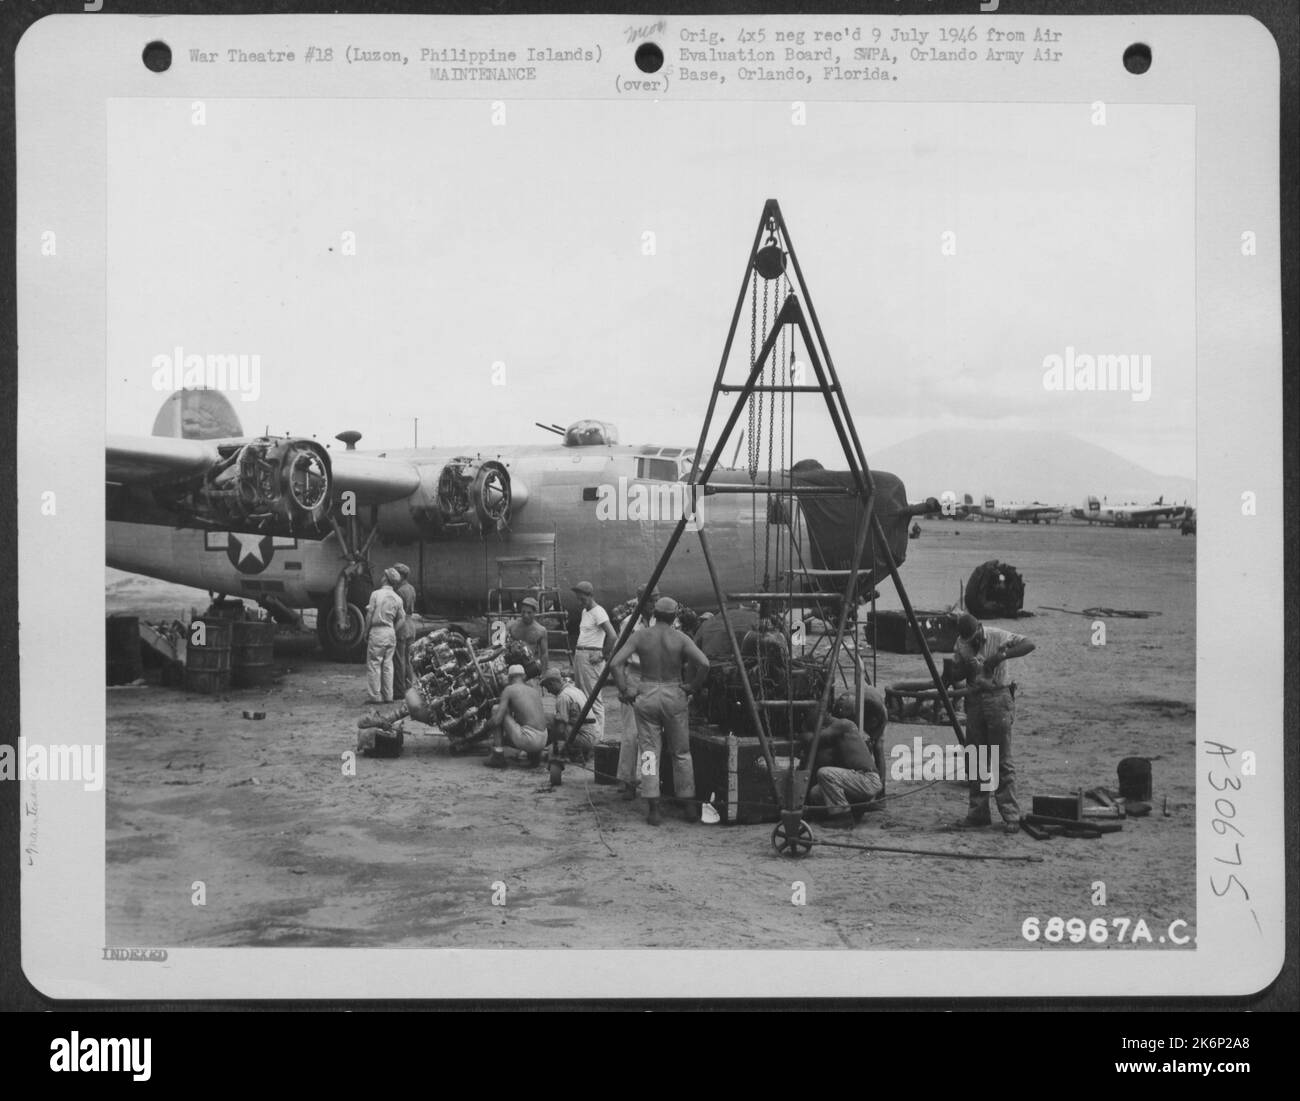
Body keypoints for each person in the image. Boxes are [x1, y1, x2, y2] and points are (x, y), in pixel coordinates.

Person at [609, 597, 711, 826]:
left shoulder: (640, 636)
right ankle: (688, 806)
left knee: (649, 753)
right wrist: (692, 686)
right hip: (674, 692)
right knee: (681, 752)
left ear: (654, 614)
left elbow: (615, 663)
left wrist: (625, 690)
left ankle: (653, 808)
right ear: (674, 616)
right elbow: (704, 664)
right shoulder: (681, 638)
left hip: (646, 692)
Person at [952, 612, 1035, 832]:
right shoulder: (961, 643)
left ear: (980, 628)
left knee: (1001, 759)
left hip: (998, 697)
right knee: (975, 758)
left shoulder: (998, 635)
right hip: (974, 699)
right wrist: (965, 668)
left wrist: (1001, 656)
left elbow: (1029, 644)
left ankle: (1010, 815)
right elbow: (954, 673)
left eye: (975, 639)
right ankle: (978, 813)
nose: (973, 644)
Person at [800, 690, 886, 829]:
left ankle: (844, 818)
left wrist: (803, 734)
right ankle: (852, 812)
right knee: (816, 792)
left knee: (825, 773)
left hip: (867, 779)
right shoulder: (839, 729)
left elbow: (813, 740)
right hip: (858, 781)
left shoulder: (842, 725)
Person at [615, 585, 659, 799]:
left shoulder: (664, 622)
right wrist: (622, 686)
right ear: (640, 600)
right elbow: (618, 656)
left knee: (650, 737)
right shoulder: (628, 624)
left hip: (655, 679)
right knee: (630, 734)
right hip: (633, 676)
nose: (654, 605)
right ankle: (627, 780)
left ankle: (650, 784)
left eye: (656, 600)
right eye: (650, 600)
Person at [570, 581, 617, 742]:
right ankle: (589, 735)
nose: (580, 601)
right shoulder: (586, 611)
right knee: (581, 696)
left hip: (592, 657)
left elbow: (612, 636)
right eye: (578, 598)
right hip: (582, 656)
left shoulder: (599, 612)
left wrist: (602, 655)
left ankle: (599, 739)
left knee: (593, 698)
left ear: (590, 595)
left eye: (582, 598)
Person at [482, 665, 549, 769]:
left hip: (530, 740)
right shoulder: (534, 690)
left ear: (509, 678)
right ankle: (535, 756)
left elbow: (497, 720)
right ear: (523, 676)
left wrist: (485, 727)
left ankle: (498, 755)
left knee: (496, 709)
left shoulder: (509, 690)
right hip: (543, 739)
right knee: (524, 719)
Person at [362, 568, 407, 704]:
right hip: (390, 632)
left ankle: (375, 696)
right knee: (388, 665)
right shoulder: (398, 598)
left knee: (374, 664)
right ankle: (388, 696)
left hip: (377, 631)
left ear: (385, 578)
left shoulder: (376, 594)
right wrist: (393, 628)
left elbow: (369, 615)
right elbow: (402, 618)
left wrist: (365, 631)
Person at [539, 666, 598, 761]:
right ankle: (580, 751)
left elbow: (561, 727)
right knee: (556, 719)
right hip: (593, 735)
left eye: (548, 687)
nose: (549, 691)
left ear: (552, 683)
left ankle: (569, 751)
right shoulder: (575, 689)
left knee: (552, 721)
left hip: (585, 738)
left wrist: (555, 747)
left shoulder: (563, 696)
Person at [392, 563, 418, 696]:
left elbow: (397, 612)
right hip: (411, 624)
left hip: (402, 625)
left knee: (399, 659)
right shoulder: (411, 588)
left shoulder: (399, 591)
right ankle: (409, 687)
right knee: (408, 659)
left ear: (401, 576)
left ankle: (399, 690)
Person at [507, 596, 549, 671]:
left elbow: (544, 654)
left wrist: (544, 673)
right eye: (523, 612)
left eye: (529, 613)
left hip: (530, 666)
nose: (526, 615)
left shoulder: (541, 631)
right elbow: (501, 646)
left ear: (535, 613)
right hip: (513, 665)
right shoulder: (511, 625)